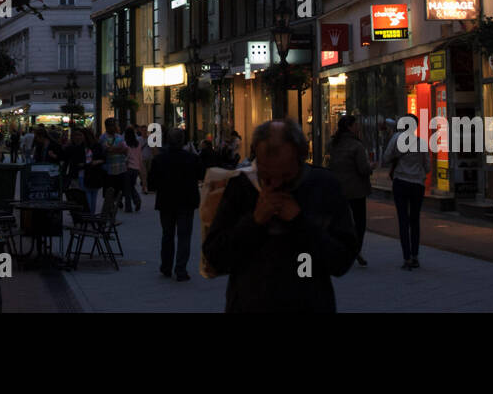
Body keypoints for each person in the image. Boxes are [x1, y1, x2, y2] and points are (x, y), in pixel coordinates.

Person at [203, 119, 357, 312]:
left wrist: (299, 222)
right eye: (266, 175)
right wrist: (254, 221)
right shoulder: (242, 186)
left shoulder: (324, 186)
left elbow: (341, 261)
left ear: (301, 158)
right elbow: (215, 256)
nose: (275, 184)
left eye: (285, 176)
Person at [148, 128, 201, 280]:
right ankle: (181, 269)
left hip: (166, 202)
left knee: (167, 235)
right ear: (183, 141)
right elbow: (202, 174)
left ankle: (166, 266)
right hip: (186, 201)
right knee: (184, 236)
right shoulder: (191, 158)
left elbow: (152, 184)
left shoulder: (159, 159)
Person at [382, 114, 429, 269]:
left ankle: (406, 257)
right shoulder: (421, 143)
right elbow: (427, 167)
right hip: (417, 184)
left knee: (403, 220)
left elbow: (386, 158)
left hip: (401, 182)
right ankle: (415, 256)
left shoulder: (396, 139)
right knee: (415, 220)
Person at [327, 115, 372, 266]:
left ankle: (342, 248)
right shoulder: (356, 146)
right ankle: (355, 250)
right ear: (350, 127)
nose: (358, 127)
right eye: (356, 125)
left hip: (338, 188)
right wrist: (372, 167)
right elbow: (363, 169)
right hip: (356, 189)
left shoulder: (333, 143)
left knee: (341, 221)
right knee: (359, 222)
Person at [99, 117, 128, 204]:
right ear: (107, 126)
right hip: (109, 170)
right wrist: (119, 149)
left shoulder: (119, 136)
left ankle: (117, 203)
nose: (115, 127)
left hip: (121, 168)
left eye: (115, 125)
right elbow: (108, 150)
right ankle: (109, 207)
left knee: (119, 190)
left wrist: (115, 149)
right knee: (109, 192)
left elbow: (126, 150)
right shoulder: (103, 137)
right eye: (113, 125)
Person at [123, 126, 143, 212]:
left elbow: (126, 157)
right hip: (136, 168)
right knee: (131, 186)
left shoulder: (125, 144)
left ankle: (129, 206)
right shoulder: (138, 144)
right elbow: (140, 156)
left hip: (128, 168)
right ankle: (137, 200)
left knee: (127, 188)